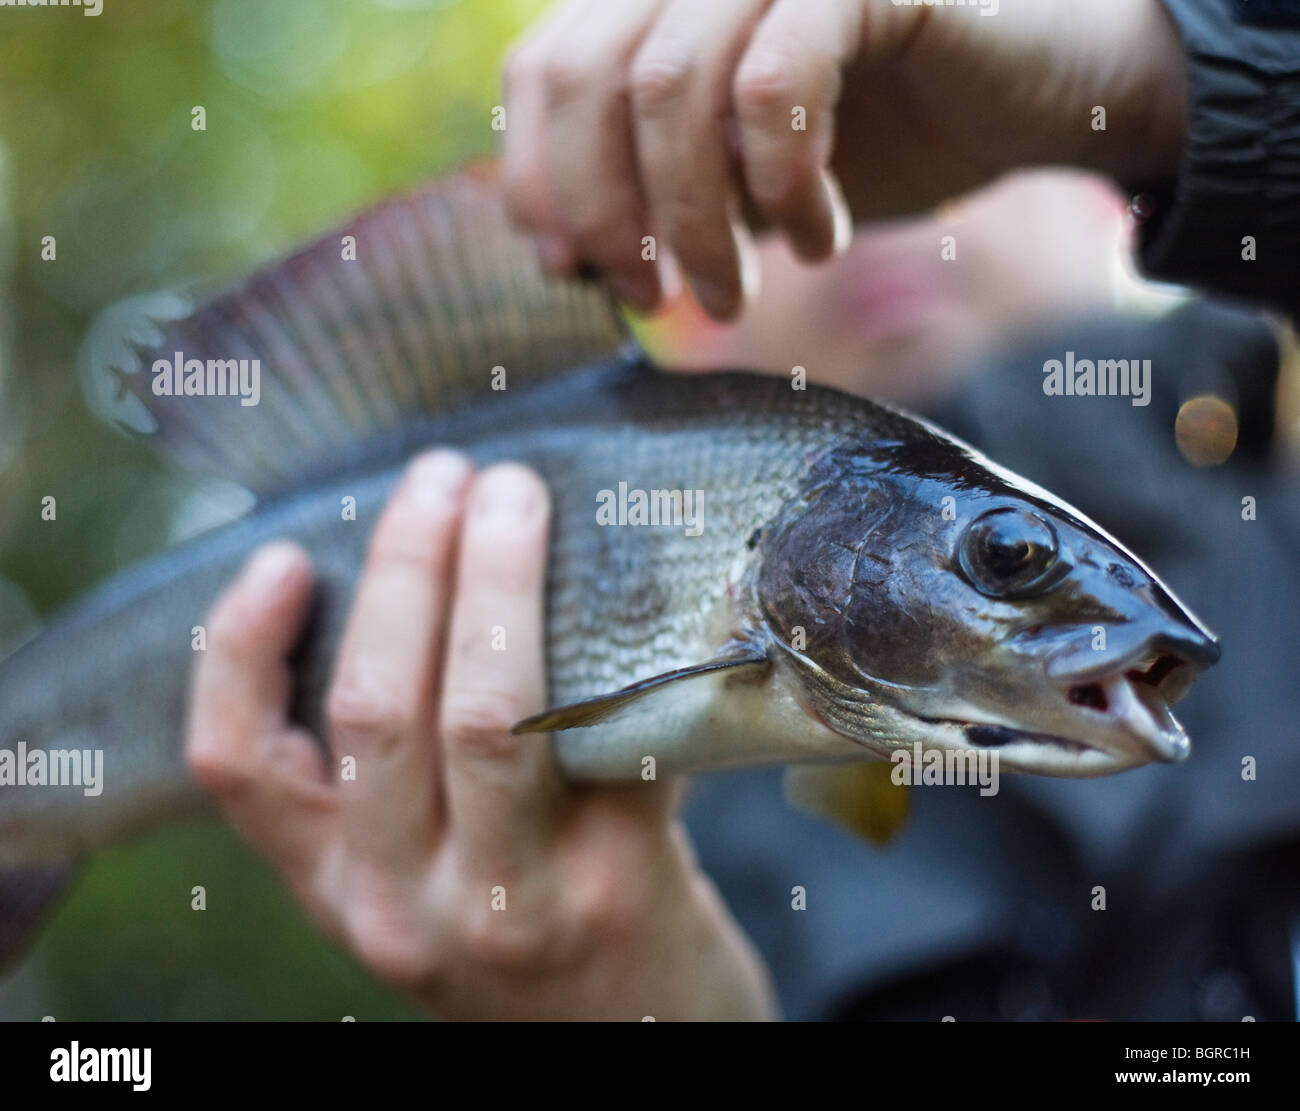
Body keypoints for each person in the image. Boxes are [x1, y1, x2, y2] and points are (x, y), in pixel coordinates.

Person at [185, 0, 1300, 1019]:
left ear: (1109, 199)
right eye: (750, 163)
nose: (869, 223)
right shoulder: (633, 830)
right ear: (696, 322)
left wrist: (1176, 82)